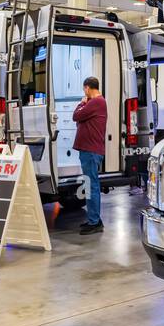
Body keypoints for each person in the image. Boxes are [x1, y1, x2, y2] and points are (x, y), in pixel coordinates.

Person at [72, 76, 107, 234]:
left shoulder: (96, 102)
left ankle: (94, 222)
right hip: (89, 151)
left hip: (91, 151)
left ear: (87, 88)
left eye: (84, 89)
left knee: (91, 186)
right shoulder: (96, 103)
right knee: (91, 184)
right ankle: (94, 218)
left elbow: (76, 116)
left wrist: (82, 103)